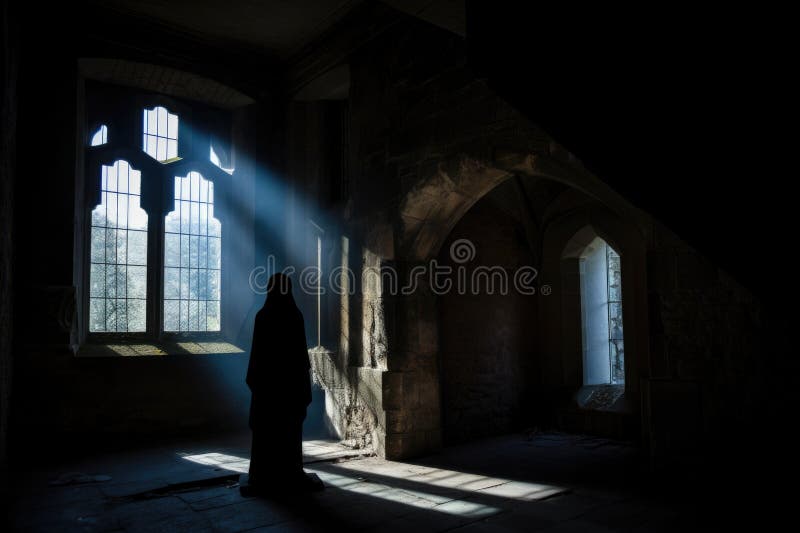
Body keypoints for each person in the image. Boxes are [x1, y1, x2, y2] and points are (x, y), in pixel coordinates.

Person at [244, 272, 320, 494]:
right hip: (289, 390)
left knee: (265, 433)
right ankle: (290, 472)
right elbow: (300, 359)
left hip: (267, 390)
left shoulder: (262, 316)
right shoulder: (294, 316)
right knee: (289, 432)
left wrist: (259, 381)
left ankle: (263, 474)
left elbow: (256, 357)